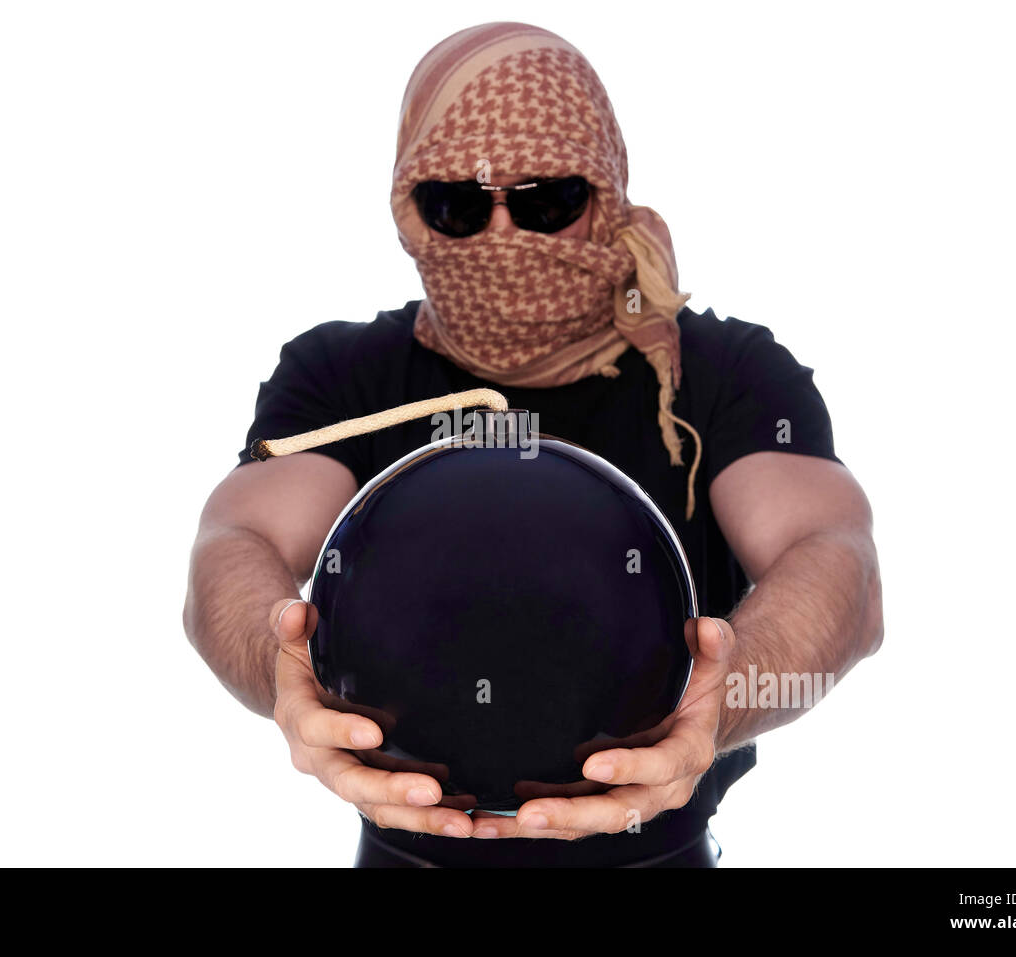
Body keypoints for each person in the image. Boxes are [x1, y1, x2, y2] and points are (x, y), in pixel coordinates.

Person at [183, 21, 883, 867]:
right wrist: (279, 664)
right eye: (460, 207)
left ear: (609, 190)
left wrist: (725, 696)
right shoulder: (345, 375)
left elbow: (832, 552)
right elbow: (235, 539)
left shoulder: (720, 373)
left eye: (548, 200)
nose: (504, 236)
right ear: (410, 211)